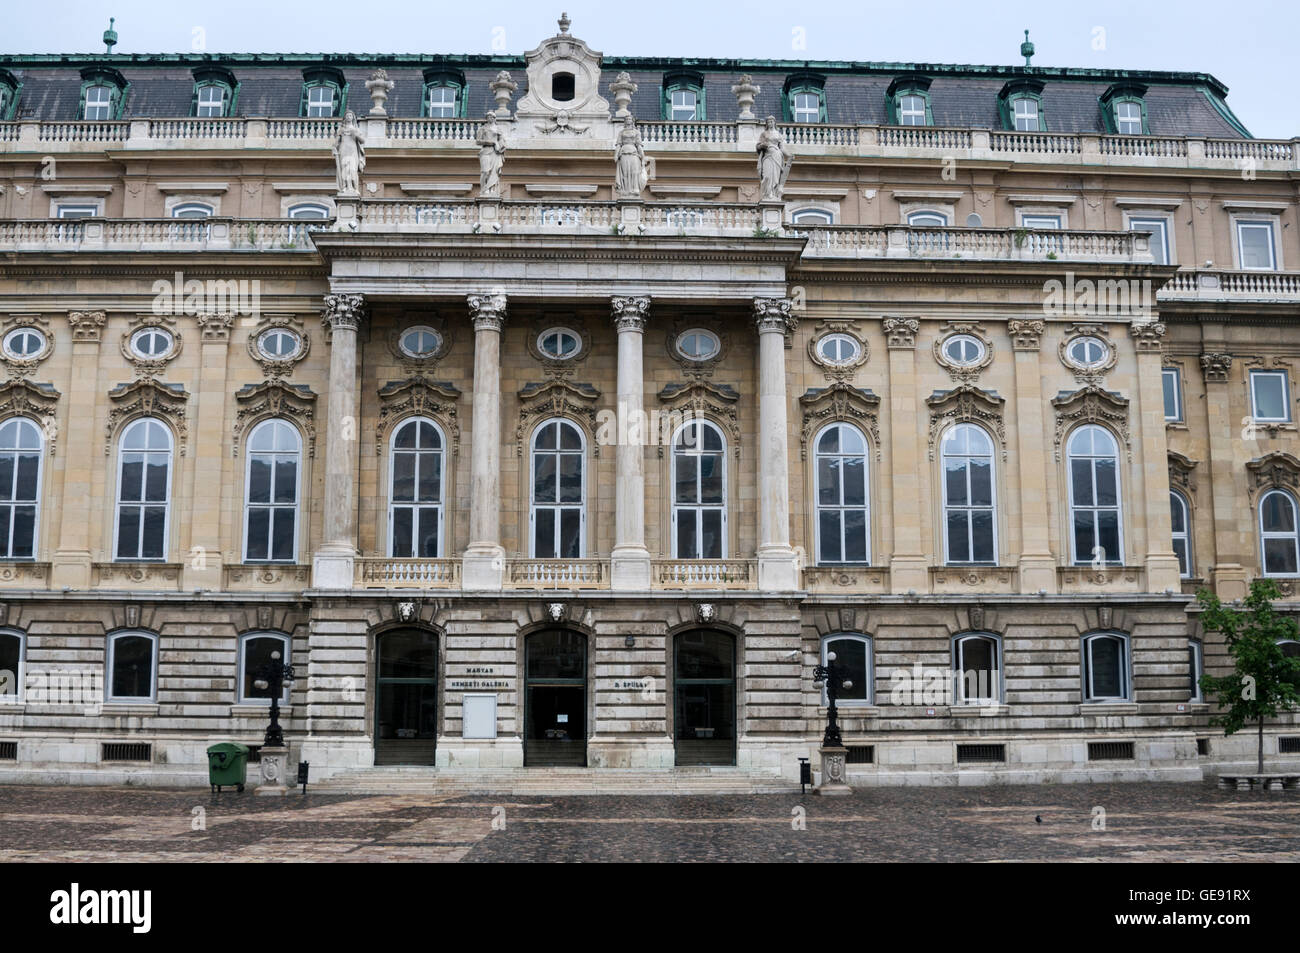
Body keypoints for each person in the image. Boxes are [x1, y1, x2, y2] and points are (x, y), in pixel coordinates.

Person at [756, 116, 793, 201]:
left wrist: (789, 155)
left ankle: (772, 194)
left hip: (777, 155)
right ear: (767, 124)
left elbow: (782, 148)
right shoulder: (764, 134)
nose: (770, 123)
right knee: (767, 176)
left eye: (772, 121)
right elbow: (758, 146)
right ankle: (767, 193)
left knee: (776, 177)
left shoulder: (778, 134)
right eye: (769, 122)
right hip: (767, 156)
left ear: (774, 123)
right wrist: (762, 145)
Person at [332, 111, 366, 196]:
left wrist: (356, 134)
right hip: (343, 150)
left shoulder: (355, 129)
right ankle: (344, 187)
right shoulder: (341, 130)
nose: (349, 117)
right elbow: (336, 143)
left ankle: (355, 188)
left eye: (350, 115)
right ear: (345, 118)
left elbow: (362, 141)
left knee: (352, 169)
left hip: (353, 151)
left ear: (353, 117)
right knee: (344, 169)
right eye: (347, 115)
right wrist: (334, 148)